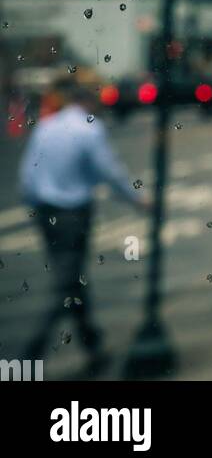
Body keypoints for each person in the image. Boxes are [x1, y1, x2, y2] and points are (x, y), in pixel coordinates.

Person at [19, 68, 148, 372]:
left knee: (73, 279)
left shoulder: (47, 126)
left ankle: (93, 344)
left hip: (44, 212)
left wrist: (35, 205)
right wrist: (136, 198)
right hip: (72, 214)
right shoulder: (89, 130)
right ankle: (27, 360)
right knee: (66, 283)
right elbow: (109, 171)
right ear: (90, 100)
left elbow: (27, 175)